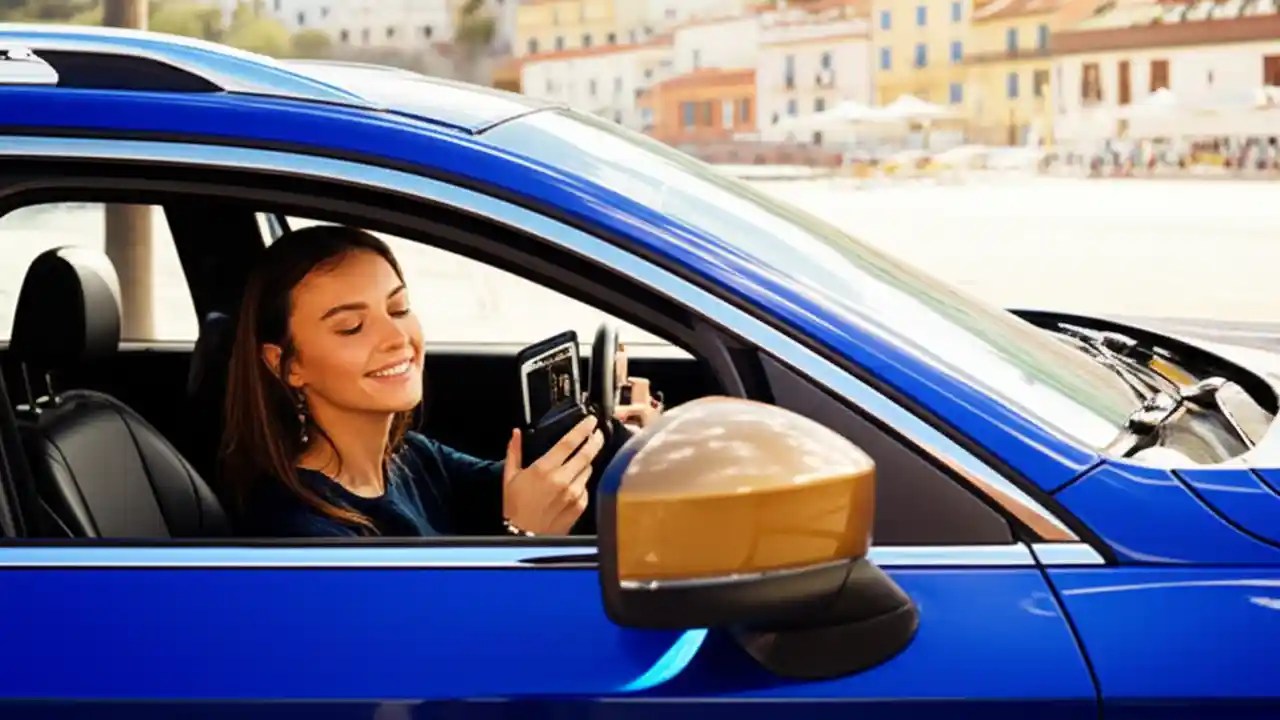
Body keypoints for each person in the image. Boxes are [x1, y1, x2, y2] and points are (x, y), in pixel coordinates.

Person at [219, 224, 661, 538]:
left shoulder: (411, 459)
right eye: (352, 327)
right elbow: (429, 659)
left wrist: (615, 436)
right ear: (286, 365)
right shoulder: (297, 533)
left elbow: (525, 483)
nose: (396, 338)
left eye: (398, 309)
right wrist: (525, 538)